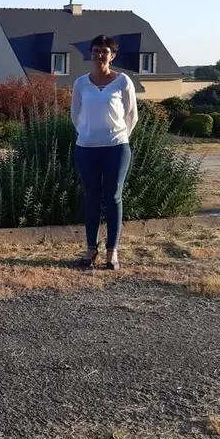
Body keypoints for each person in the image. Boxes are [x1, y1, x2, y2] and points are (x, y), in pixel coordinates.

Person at [70, 34, 138, 270]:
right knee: (92, 197)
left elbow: (132, 115)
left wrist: (119, 137)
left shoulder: (122, 82)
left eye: (105, 51)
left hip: (117, 148)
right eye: (96, 50)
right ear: (91, 53)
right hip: (86, 148)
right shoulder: (81, 83)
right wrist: (88, 134)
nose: (100, 55)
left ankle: (112, 251)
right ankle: (91, 249)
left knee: (113, 197)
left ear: (113, 55)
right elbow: (75, 115)